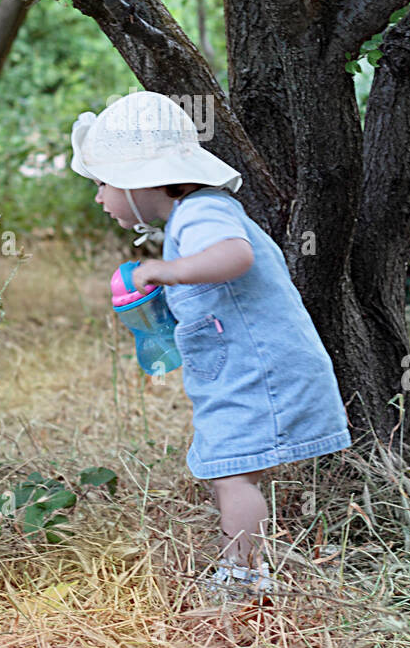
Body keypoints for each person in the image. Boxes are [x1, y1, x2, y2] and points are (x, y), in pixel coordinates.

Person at [71, 91, 351, 601]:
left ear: (140, 180)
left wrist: (167, 270)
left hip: (259, 370)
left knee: (232, 474)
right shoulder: (192, 217)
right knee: (232, 468)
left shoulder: (202, 212)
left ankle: (242, 579)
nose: (99, 198)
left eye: (102, 183)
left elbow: (234, 256)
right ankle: (244, 571)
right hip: (244, 368)